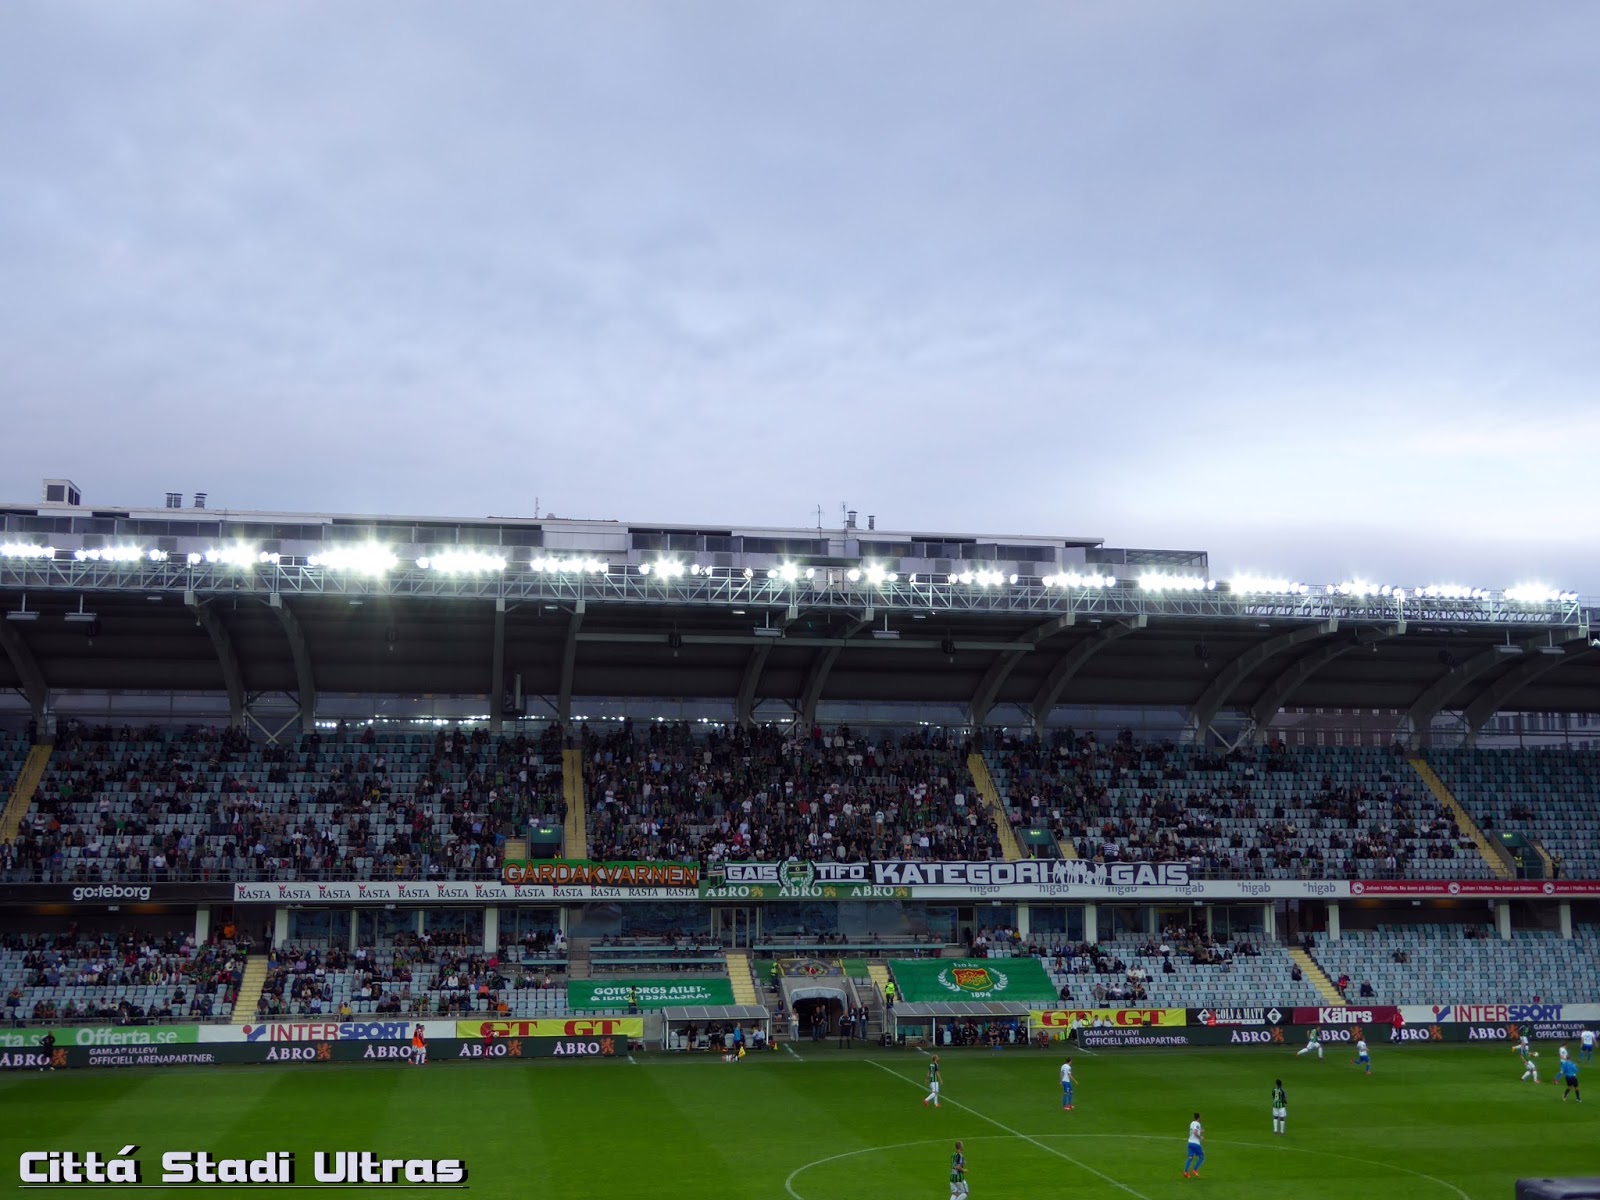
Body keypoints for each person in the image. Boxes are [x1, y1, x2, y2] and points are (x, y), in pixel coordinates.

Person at [1183, 1112, 1205, 1178]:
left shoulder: (1192, 1123)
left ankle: (1185, 1172)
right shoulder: (1197, 1124)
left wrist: (1200, 1131)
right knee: (1201, 1157)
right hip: (1196, 1144)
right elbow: (1195, 1132)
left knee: (1190, 1158)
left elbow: (1193, 1131)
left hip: (1190, 1143)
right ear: (1199, 1117)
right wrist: (1200, 1137)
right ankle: (1195, 1170)